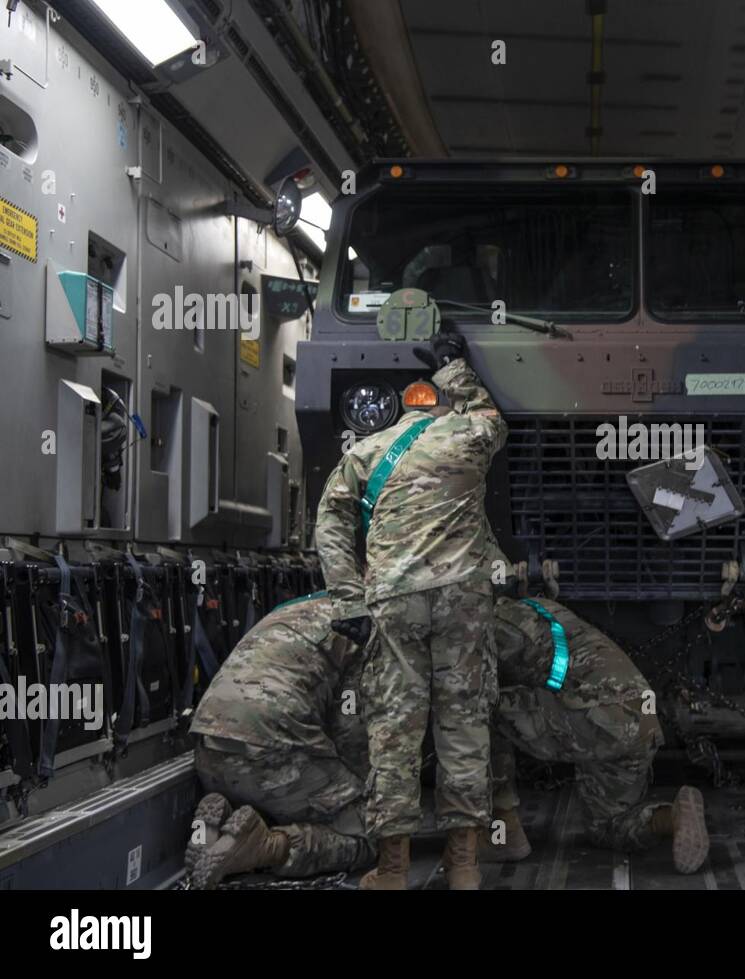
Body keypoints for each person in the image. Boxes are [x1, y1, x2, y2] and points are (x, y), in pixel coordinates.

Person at [315, 330, 506, 890]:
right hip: (463, 597)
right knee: (464, 723)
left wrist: (347, 597)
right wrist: (453, 364)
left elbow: (330, 521)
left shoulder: (369, 449)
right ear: (448, 403)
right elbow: (487, 411)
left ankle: (394, 869)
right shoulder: (471, 434)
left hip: (394, 600)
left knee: (396, 728)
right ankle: (466, 865)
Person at [484, 597, 709, 873]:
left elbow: (460, 688)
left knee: (474, 710)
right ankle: (672, 818)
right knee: (606, 827)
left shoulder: (496, 623)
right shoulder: (542, 608)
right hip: (639, 721)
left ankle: (504, 831)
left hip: (597, 718)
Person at [186, 593, 373, 888]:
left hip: (208, 748)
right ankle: (268, 847)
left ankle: (213, 823)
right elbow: (349, 726)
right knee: (372, 831)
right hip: (272, 755)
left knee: (284, 795)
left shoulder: (296, 608)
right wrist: (362, 790)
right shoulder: (361, 624)